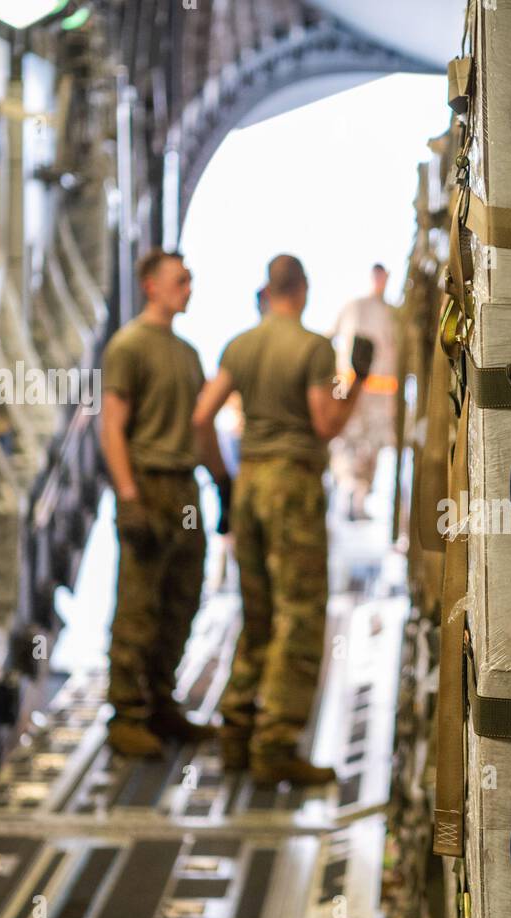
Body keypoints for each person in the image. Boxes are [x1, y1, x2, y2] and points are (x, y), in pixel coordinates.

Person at [192, 255, 366, 786]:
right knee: (300, 611)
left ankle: (237, 731)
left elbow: (203, 418)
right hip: (292, 485)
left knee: (257, 607)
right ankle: (276, 743)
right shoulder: (314, 347)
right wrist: (355, 384)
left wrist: (223, 479)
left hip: (249, 484)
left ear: (269, 290)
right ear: (303, 291)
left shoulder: (240, 345)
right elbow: (325, 421)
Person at [99, 249, 227, 758]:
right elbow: (112, 425)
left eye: (191, 280)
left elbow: (201, 426)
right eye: (180, 280)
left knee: (181, 597)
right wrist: (128, 497)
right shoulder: (129, 346)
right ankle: (125, 715)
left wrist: (222, 482)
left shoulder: (188, 353)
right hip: (148, 486)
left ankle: (160, 703)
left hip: (183, 490)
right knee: (138, 605)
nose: (189, 288)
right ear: (151, 285)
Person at [330, 264, 397, 521]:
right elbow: (331, 337)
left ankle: (360, 499)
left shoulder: (392, 314)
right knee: (348, 447)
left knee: (372, 451)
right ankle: (348, 493)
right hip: (353, 395)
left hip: (380, 401)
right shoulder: (353, 307)